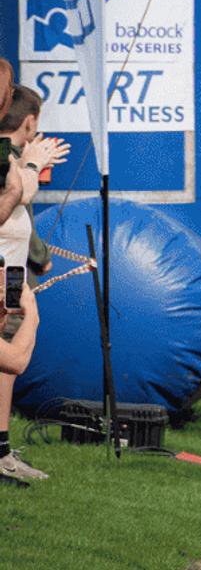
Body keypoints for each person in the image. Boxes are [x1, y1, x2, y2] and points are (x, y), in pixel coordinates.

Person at [0, 85, 68, 484]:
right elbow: (19, 193)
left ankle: (3, 450)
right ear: (29, 121)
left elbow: (18, 215)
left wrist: (38, 256)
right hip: (5, 276)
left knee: (6, 368)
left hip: (10, 274)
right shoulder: (9, 158)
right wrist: (31, 164)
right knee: (9, 360)